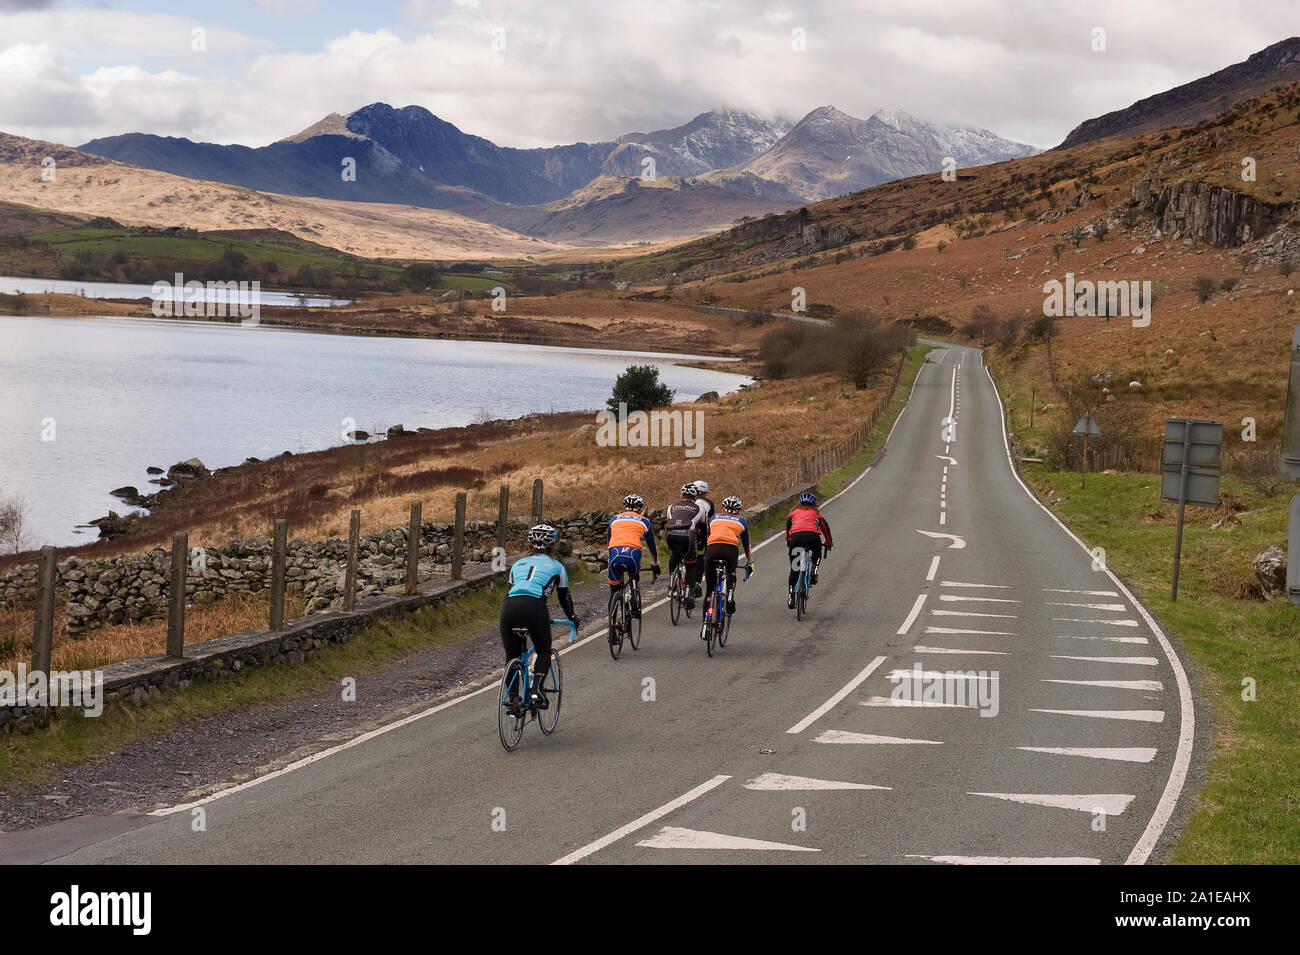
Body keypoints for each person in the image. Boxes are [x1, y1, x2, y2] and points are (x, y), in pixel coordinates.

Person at [500, 524, 579, 712]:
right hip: (534, 606)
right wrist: (573, 617)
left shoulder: (517, 564)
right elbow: (564, 596)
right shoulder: (557, 567)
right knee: (543, 650)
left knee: (512, 655)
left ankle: (512, 699)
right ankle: (536, 690)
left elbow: (515, 588)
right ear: (554, 545)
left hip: (509, 606)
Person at [606, 493, 659, 620]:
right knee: (634, 576)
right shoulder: (645, 521)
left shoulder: (614, 519)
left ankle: (611, 628)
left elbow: (609, 541)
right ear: (640, 508)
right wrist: (655, 564)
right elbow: (652, 546)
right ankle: (634, 599)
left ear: (624, 507)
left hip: (614, 552)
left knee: (614, 591)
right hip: (632, 553)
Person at [702, 495, 753, 618]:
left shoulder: (713, 518)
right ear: (739, 510)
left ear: (723, 508)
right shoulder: (741, 521)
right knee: (731, 572)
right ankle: (730, 596)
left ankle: (705, 624)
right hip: (730, 550)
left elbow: (708, 536)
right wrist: (750, 562)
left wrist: (706, 554)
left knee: (709, 589)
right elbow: (746, 545)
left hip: (712, 548)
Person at [786, 491, 834, 608]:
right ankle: (814, 571)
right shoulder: (817, 514)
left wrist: (789, 541)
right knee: (817, 551)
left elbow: (788, 530)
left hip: (796, 538)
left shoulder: (793, 513)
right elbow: (826, 531)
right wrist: (828, 543)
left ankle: (791, 596)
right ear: (814, 505)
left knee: (795, 569)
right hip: (813, 536)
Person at [663, 483, 705, 608]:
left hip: (671, 535)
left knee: (675, 555)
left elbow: (668, 521)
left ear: (681, 495)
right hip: (687, 536)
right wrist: (703, 543)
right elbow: (703, 528)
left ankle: (673, 585)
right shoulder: (700, 509)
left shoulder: (671, 507)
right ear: (695, 496)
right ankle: (687, 593)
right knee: (691, 564)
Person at [692, 480, 715, 598]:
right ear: (705, 492)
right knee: (700, 557)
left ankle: (674, 577)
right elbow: (712, 521)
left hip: (684, 532)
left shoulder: (689, 500)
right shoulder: (709, 503)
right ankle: (697, 583)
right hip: (700, 532)